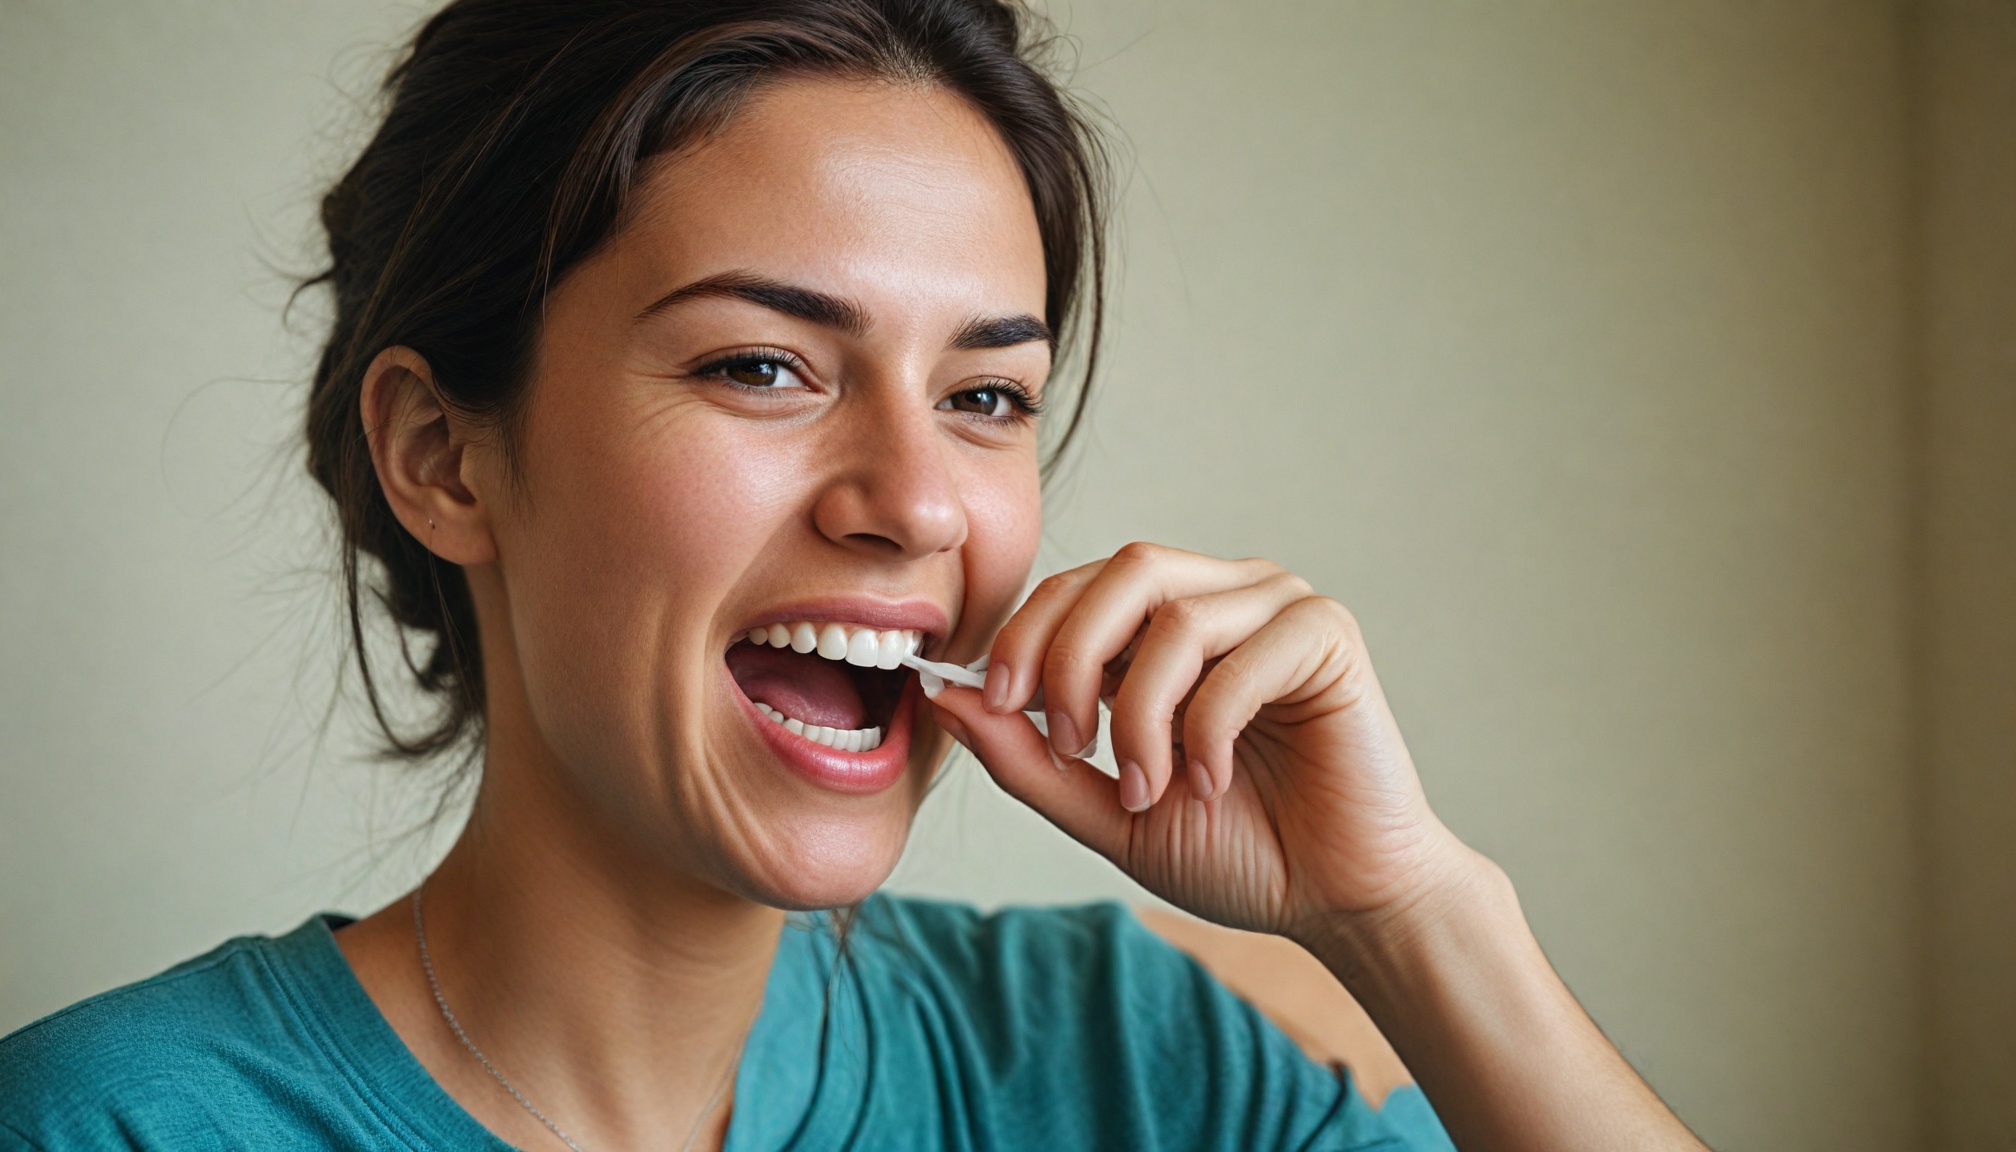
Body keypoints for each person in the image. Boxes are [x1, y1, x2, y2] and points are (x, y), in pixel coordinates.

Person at [0, 2, 1709, 1149]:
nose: (917, 503)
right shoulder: (118, 1122)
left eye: (984, 398)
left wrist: (1409, 920)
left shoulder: (1126, 1066)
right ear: (446, 456)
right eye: (762, 365)